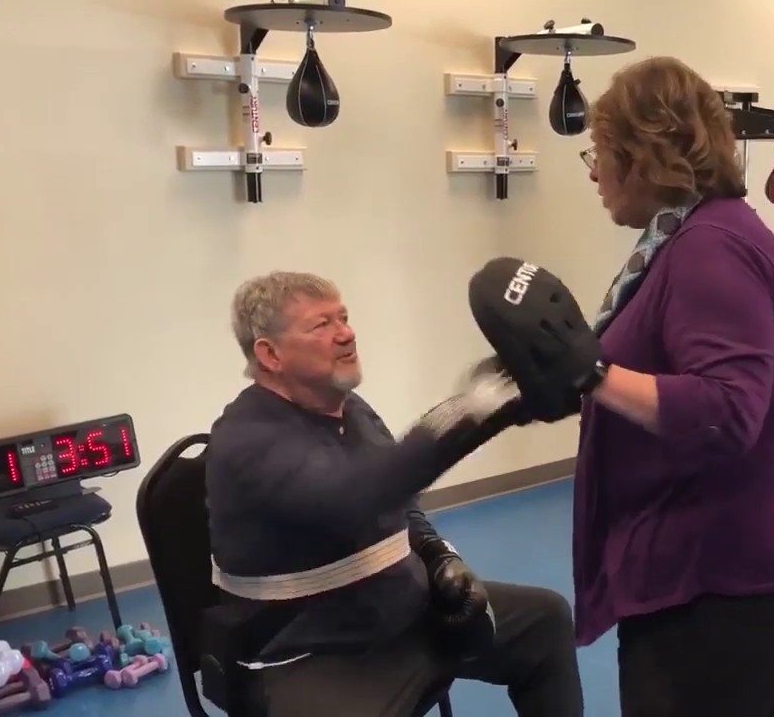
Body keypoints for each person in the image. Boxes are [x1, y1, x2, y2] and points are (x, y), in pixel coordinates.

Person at [472, 56, 774, 715]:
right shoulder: (686, 236)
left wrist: (592, 373)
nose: (594, 172)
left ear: (640, 156)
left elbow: (728, 411)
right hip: (732, 552)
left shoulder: (711, 250)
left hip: (724, 568)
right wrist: (563, 385)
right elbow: (650, 374)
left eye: (599, 152)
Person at [204, 271, 584, 717]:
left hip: (398, 613)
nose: (346, 333)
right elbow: (361, 494)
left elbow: (399, 498)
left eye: (343, 317)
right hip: (307, 652)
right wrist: (482, 405)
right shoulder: (247, 440)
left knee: (544, 621)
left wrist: (438, 555)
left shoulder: (350, 409)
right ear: (270, 354)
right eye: (321, 325)